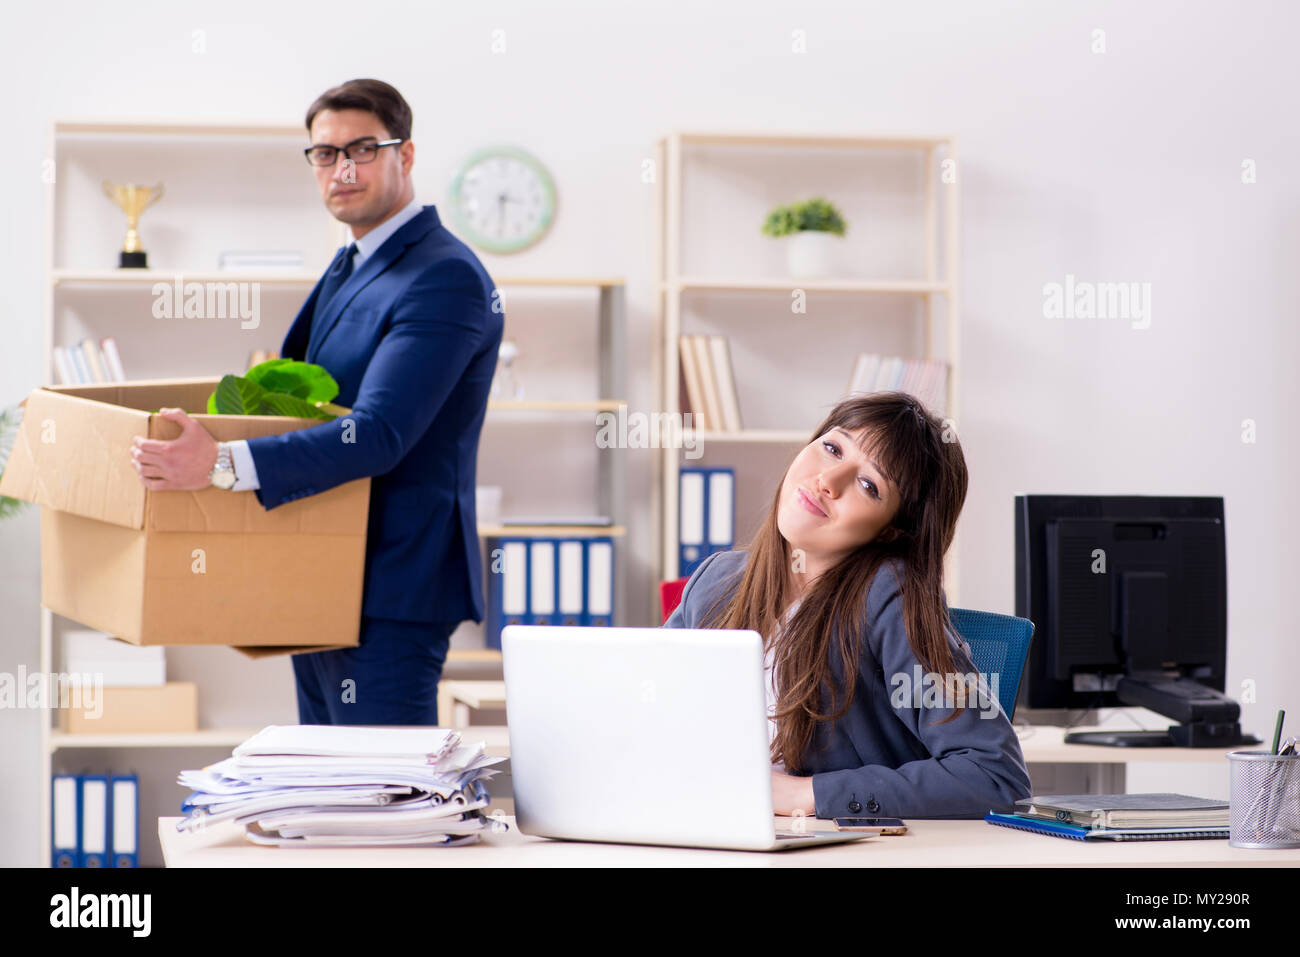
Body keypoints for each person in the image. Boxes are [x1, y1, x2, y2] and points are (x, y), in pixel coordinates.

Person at [128, 78, 503, 725]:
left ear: (405, 155)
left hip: (393, 587)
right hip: (322, 568)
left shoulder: (444, 275)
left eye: (362, 148)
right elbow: (300, 401)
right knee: (327, 795)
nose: (343, 168)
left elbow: (379, 432)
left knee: (379, 806)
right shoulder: (349, 265)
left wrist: (219, 462)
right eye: (325, 154)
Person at [664, 391, 1032, 819]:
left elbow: (995, 777)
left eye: (868, 485)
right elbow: (647, 712)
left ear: (891, 531)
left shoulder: (889, 599)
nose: (827, 481)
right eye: (832, 448)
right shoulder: (717, 580)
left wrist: (807, 795)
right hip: (707, 828)